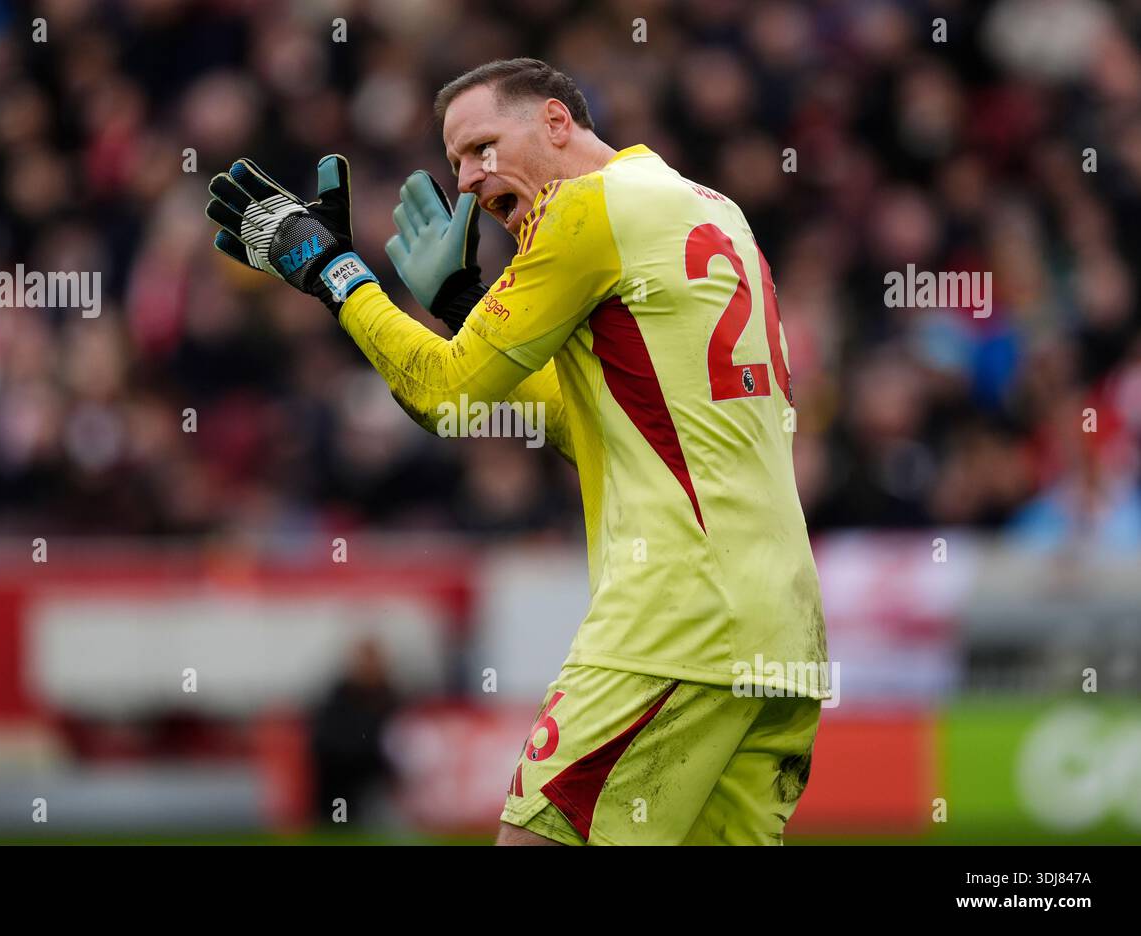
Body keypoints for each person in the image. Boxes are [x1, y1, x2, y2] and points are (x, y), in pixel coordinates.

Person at [206, 57, 829, 846]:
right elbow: (597, 420)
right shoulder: (709, 210)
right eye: (457, 160)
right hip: (783, 634)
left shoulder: (587, 211)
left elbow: (447, 397)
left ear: (557, 123)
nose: (466, 179)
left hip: (679, 619)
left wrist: (334, 273)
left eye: (481, 147)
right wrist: (468, 307)